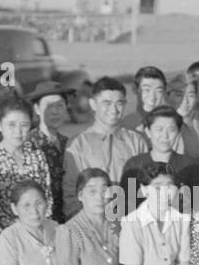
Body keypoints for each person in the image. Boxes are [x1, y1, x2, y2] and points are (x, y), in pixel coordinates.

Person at [61, 77, 147, 218]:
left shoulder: (136, 141)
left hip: (129, 224)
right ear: (93, 104)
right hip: (91, 225)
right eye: (106, 103)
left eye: (119, 103)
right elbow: (71, 191)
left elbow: (145, 187)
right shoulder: (78, 144)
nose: (113, 109)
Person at [0, 97, 53, 230]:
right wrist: (18, 232)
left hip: (38, 229)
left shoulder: (37, 156)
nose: (18, 131)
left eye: (24, 125)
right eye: (11, 125)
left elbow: (47, 198)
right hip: (3, 234)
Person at [120, 105, 199, 214]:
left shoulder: (191, 165)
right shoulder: (134, 165)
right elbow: (126, 206)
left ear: (179, 132)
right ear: (148, 131)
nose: (165, 135)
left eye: (171, 130)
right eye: (159, 129)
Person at [121, 67, 199, 159]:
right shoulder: (124, 125)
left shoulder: (174, 126)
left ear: (164, 91)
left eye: (158, 91)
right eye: (147, 90)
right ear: (135, 89)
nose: (152, 96)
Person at [26, 80, 74, 222]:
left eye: (60, 105)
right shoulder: (28, 144)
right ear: (37, 109)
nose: (55, 111)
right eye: (48, 106)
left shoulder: (71, 144)